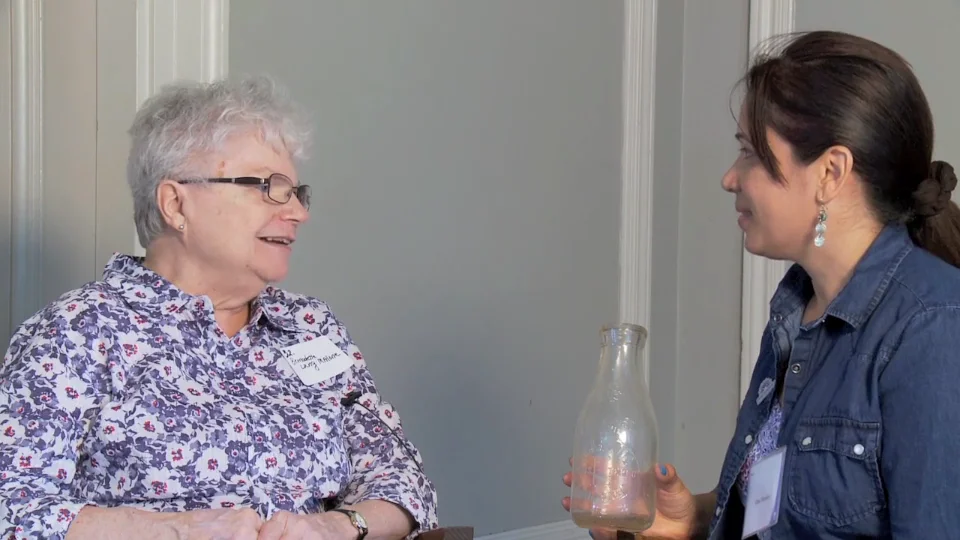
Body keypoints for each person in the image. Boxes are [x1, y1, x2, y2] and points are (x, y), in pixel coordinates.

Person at [0, 75, 438, 540]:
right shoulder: (79, 330)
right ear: (175, 203)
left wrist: (338, 526)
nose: (297, 212)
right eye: (269, 186)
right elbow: (11, 504)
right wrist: (177, 531)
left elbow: (403, 481)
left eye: (295, 192)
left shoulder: (310, 326)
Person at [563, 30, 960, 539]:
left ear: (831, 172)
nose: (731, 178)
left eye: (750, 153)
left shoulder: (933, 329)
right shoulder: (797, 317)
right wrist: (696, 520)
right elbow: (786, 513)